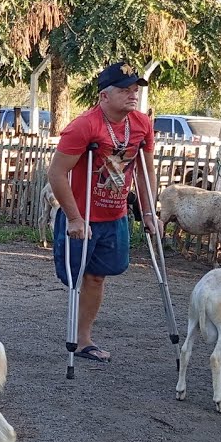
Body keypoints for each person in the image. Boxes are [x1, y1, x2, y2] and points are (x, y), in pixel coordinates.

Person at [45, 62, 159, 363]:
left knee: (97, 278)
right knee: (74, 278)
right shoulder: (84, 126)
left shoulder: (142, 124)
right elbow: (56, 173)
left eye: (134, 89)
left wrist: (149, 213)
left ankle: (83, 340)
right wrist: (74, 218)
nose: (132, 95)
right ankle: (75, 334)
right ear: (104, 96)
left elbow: (146, 170)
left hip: (115, 216)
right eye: (124, 90)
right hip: (81, 216)